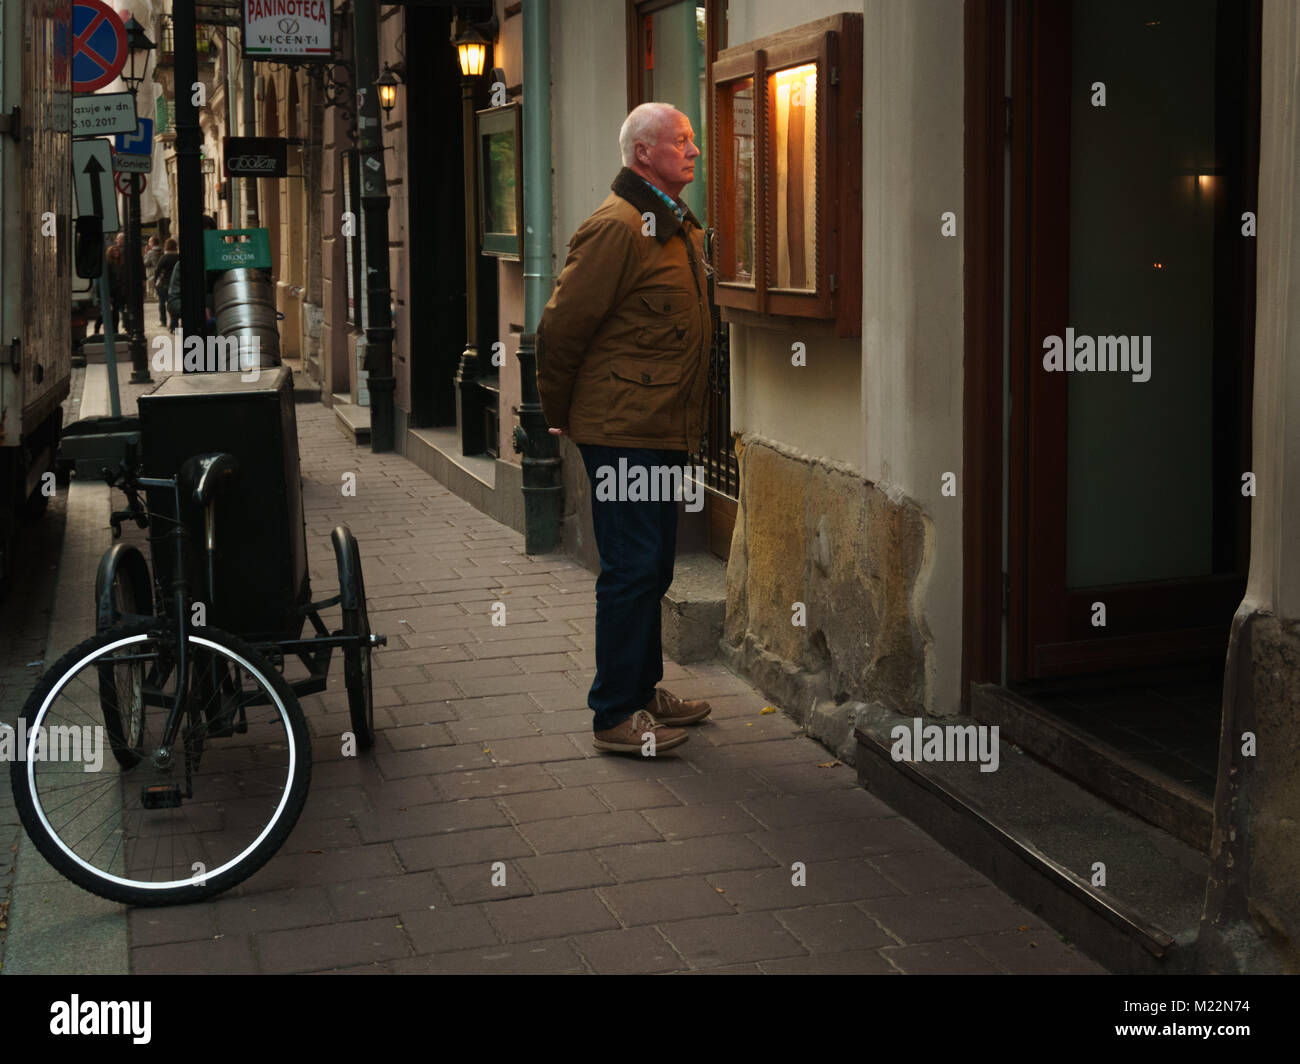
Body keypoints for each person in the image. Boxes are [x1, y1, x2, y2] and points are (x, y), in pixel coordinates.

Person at [536, 102, 714, 756]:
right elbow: (560, 329)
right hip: (624, 430)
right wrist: (557, 413)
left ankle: (641, 691)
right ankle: (615, 714)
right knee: (633, 569)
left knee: (654, 567)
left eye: (693, 140)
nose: (693, 150)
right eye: (681, 140)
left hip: (660, 427)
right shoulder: (618, 227)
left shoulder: (673, 224)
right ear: (644, 154)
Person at [154, 238, 179, 328]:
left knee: (162, 303)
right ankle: (174, 323)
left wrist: (155, 282)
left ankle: (163, 321)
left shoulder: (164, 257)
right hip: (175, 284)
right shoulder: (178, 257)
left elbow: (157, 270)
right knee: (173, 303)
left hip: (164, 284)